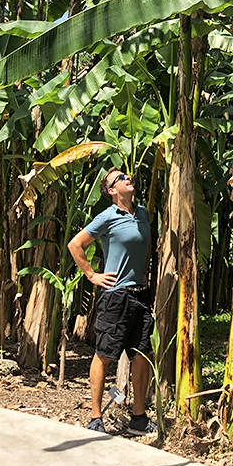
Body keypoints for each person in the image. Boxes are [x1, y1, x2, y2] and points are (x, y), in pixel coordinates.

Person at [68, 169, 156, 436]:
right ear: (111, 191)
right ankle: (96, 417)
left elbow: (146, 246)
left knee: (141, 357)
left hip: (140, 295)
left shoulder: (142, 214)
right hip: (116, 296)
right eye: (120, 178)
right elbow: (75, 244)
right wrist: (92, 275)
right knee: (104, 355)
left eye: (128, 175)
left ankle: (138, 418)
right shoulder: (108, 216)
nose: (128, 177)